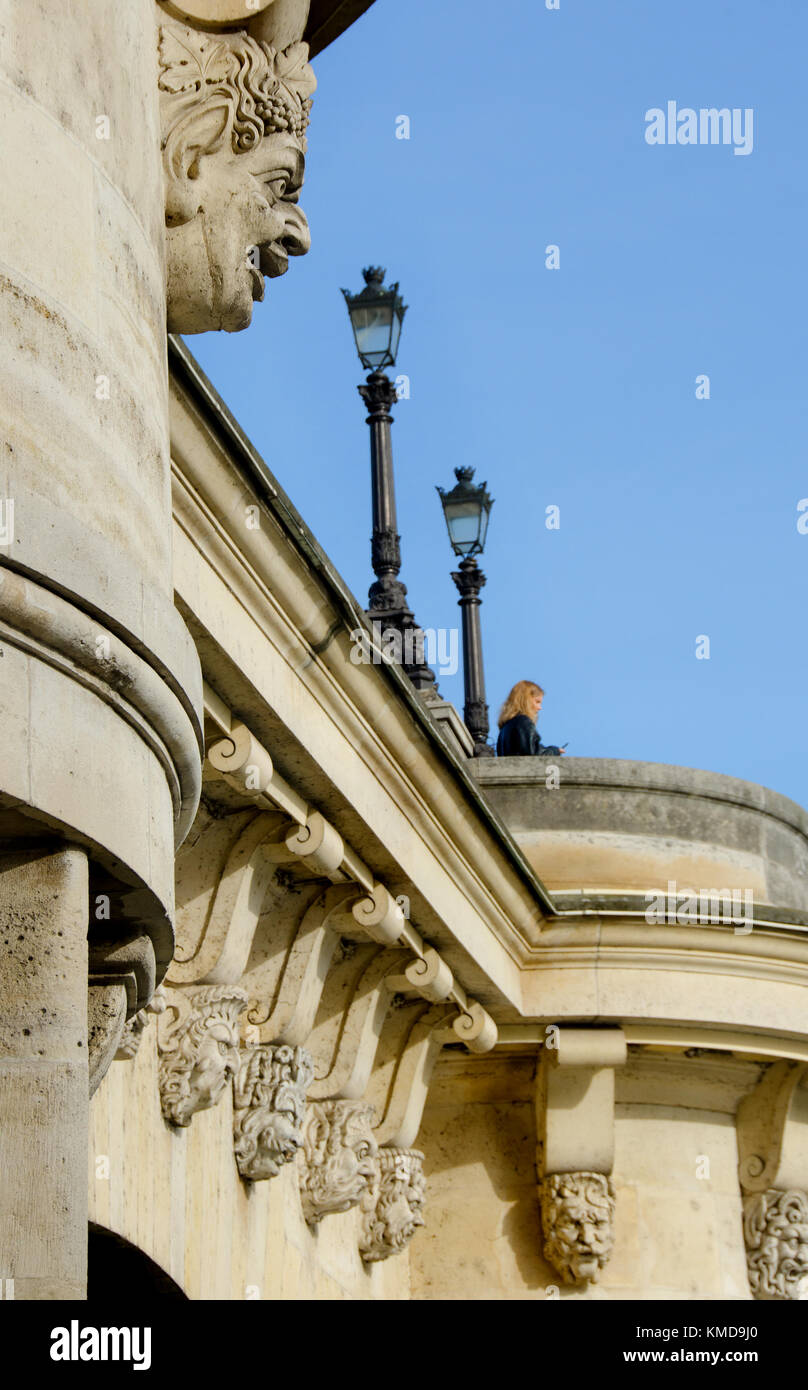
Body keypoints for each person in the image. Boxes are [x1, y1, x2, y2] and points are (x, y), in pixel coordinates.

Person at [496, 680, 566, 757]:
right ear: (526, 701)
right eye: (537, 702)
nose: (540, 708)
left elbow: (528, 748)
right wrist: (554, 751)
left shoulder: (505, 728)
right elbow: (534, 755)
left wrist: (548, 749)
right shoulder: (523, 722)